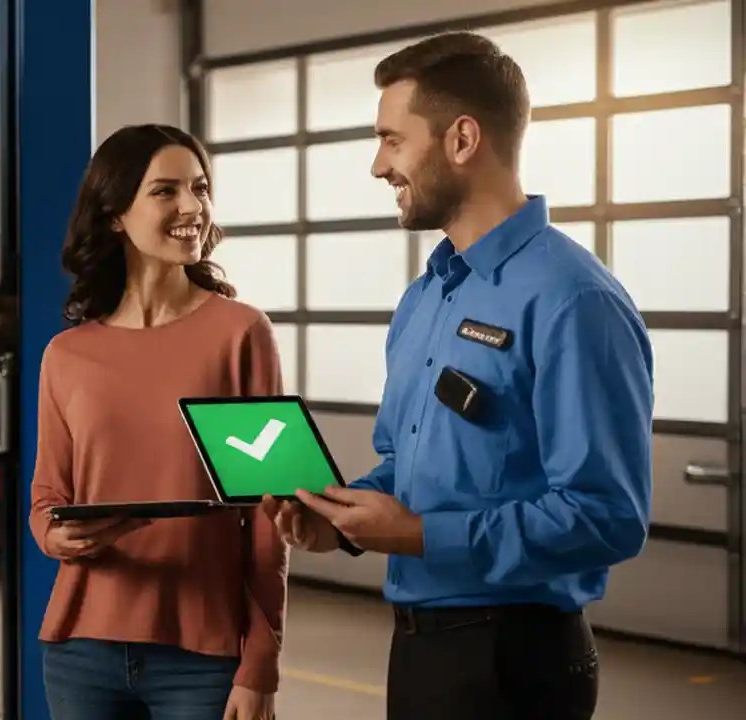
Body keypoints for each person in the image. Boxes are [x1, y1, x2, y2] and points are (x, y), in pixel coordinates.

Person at [262, 31, 653, 720]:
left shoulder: (573, 299)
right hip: (420, 650)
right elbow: (404, 466)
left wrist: (418, 534)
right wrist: (345, 523)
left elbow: (607, 516)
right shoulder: (430, 294)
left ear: (462, 139)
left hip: (515, 661)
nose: (378, 165)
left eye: (391, 138)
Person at [28, 123, 287, 720]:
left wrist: (261, 661)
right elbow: (48, 498)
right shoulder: (67, 355)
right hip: (81, 650)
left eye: (200, 188)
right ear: (116, 214)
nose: (191, 207)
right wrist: (56, 536)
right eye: (166, 191)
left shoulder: (240, 333)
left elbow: (269, 513)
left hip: (204, 655)